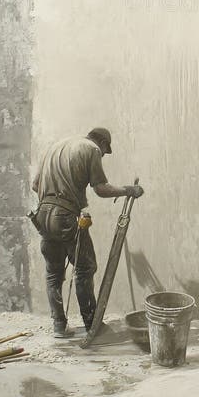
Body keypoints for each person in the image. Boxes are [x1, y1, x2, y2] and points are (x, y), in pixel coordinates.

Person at [32, 127, 144, 337]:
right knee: (85, 267)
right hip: (64, 215)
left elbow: (35, 185)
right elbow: (100, 188)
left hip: (42, 214)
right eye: (105, 152)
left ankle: (59, 325)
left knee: (54, 273)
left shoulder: (53, 148)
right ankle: (92, 324)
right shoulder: (91, 148)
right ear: (102, 143)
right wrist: (128, 190)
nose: (102, 155)